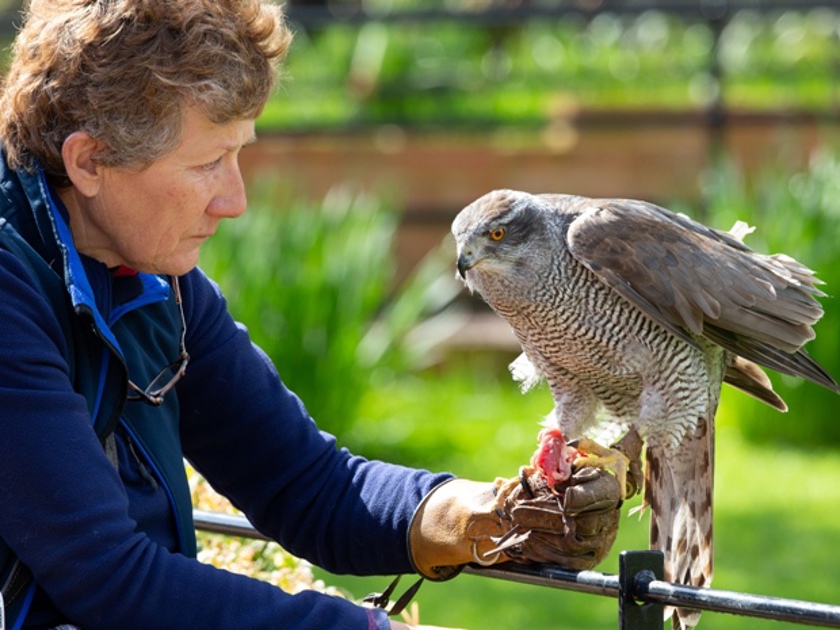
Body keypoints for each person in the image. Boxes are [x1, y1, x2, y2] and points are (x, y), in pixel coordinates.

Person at [0, 1, 624, 629]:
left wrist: (479, 514)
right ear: (88, 162)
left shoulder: (153, 275)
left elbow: (306, 485)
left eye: (239, 155)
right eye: (206, 163)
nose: (234, 200)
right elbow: (110, 580)